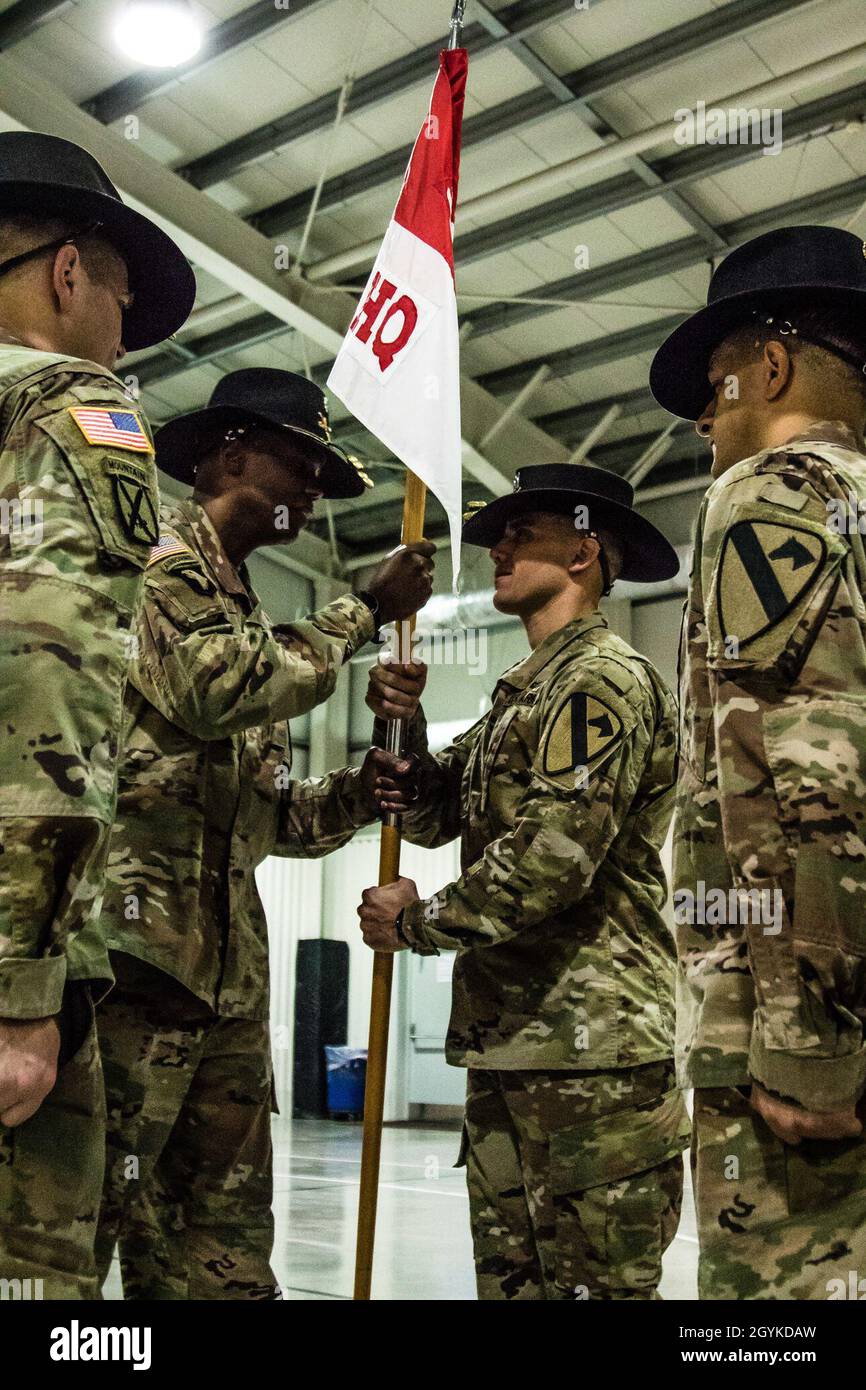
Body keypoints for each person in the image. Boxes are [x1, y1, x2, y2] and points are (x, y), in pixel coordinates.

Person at [93, 368, 433, 1299]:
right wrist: (363, 610)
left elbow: (272, 818)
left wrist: (368, 786)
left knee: (223, 1251)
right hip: (130, 972)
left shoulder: (247, 612)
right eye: (301, 463)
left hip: (229, 984)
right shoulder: (152, 565)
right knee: (78, 1230)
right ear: (230, 455)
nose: (316, 491)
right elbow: (216, 686)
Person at [357, 465, 690, 1299]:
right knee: (513, 1286)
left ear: (582, 552)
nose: (498, 546)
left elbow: (551, 859)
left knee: (596, 1289)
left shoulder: (600, 680)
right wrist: (400, 721)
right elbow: (435, 809)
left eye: (521, 532)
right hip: (514, 1041)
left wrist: (415, 923)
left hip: (593, 1053)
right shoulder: (523, 693)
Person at [650, 224, 866, 1299]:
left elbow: (802, 774)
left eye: (717, 379)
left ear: (771, 365)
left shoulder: (772, 493)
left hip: (799, 1029)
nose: (703, 412)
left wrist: (804, 1037)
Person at [0, 131, 195, 1299]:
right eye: (120, 292)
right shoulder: (68, 403)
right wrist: (20, 990)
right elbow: (45, 682)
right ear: (69, 273)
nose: (121, 329)